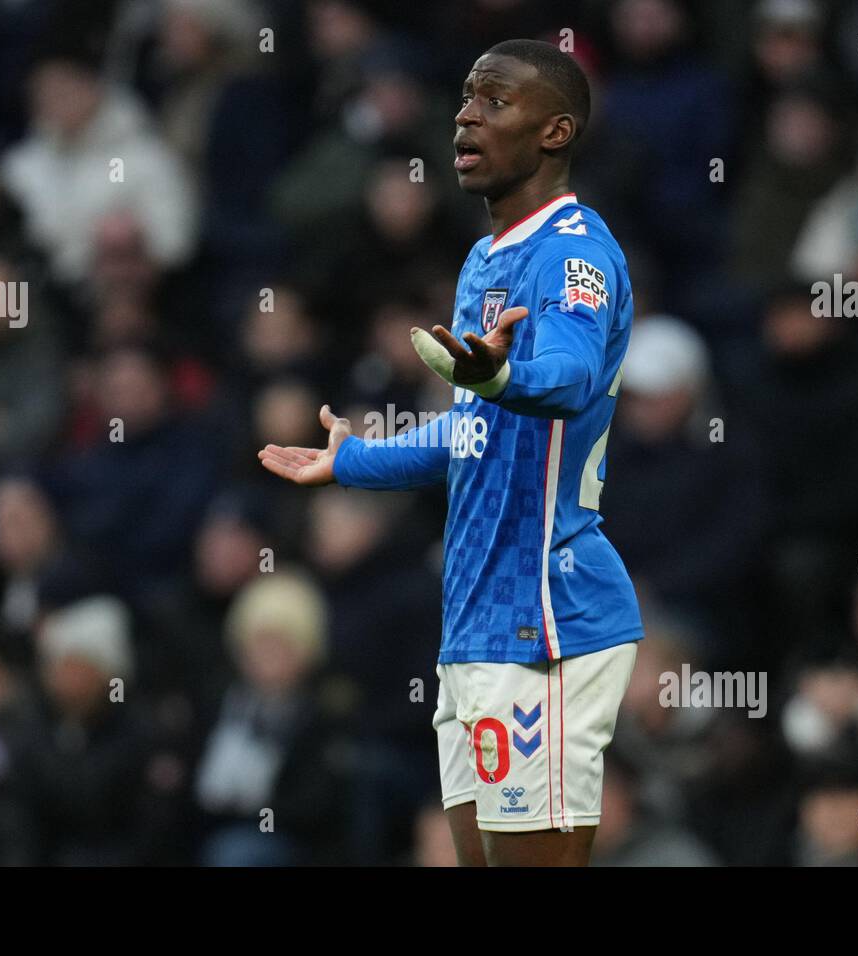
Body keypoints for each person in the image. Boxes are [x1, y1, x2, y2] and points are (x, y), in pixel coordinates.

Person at [259, 39, 642, 866]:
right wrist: (356, 461)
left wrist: (506, 377)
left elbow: (569, 376)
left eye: (496, 100)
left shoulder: (574, 251)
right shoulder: (484, 259)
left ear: (555, 131)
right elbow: (479, 431)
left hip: (547, 613)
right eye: (466, 96)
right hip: (476, 617)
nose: (466, 114)